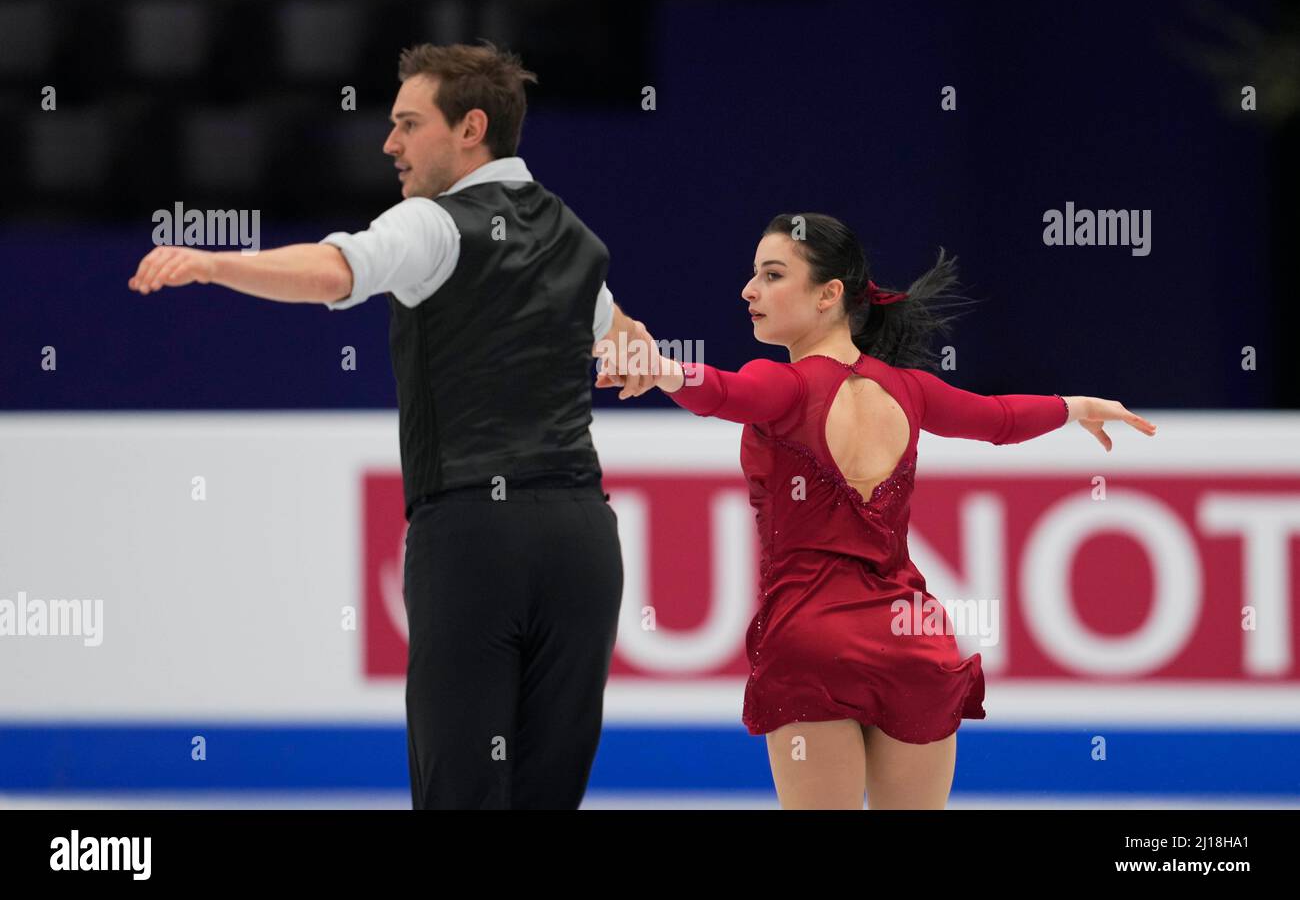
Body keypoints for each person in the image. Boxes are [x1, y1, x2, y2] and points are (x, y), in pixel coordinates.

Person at [128, 40, 658, 809]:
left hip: (475, 538)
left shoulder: (434, 227)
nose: (390, 144)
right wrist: (638, 343)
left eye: (409, 123)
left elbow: (337, 268)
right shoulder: (574, 235)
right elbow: (622, 331)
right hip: (584, 540)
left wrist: (216, 264)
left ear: (470, 127)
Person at [596, 212, 1157, 809]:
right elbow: (997, 419)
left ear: (829, 294)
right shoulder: (909, 390)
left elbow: (724, 391)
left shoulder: (786, 385)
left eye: (773, 274)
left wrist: (663, 371)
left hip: (810, 639)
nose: (749, 290)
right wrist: (1075, 406)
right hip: (910, 640)